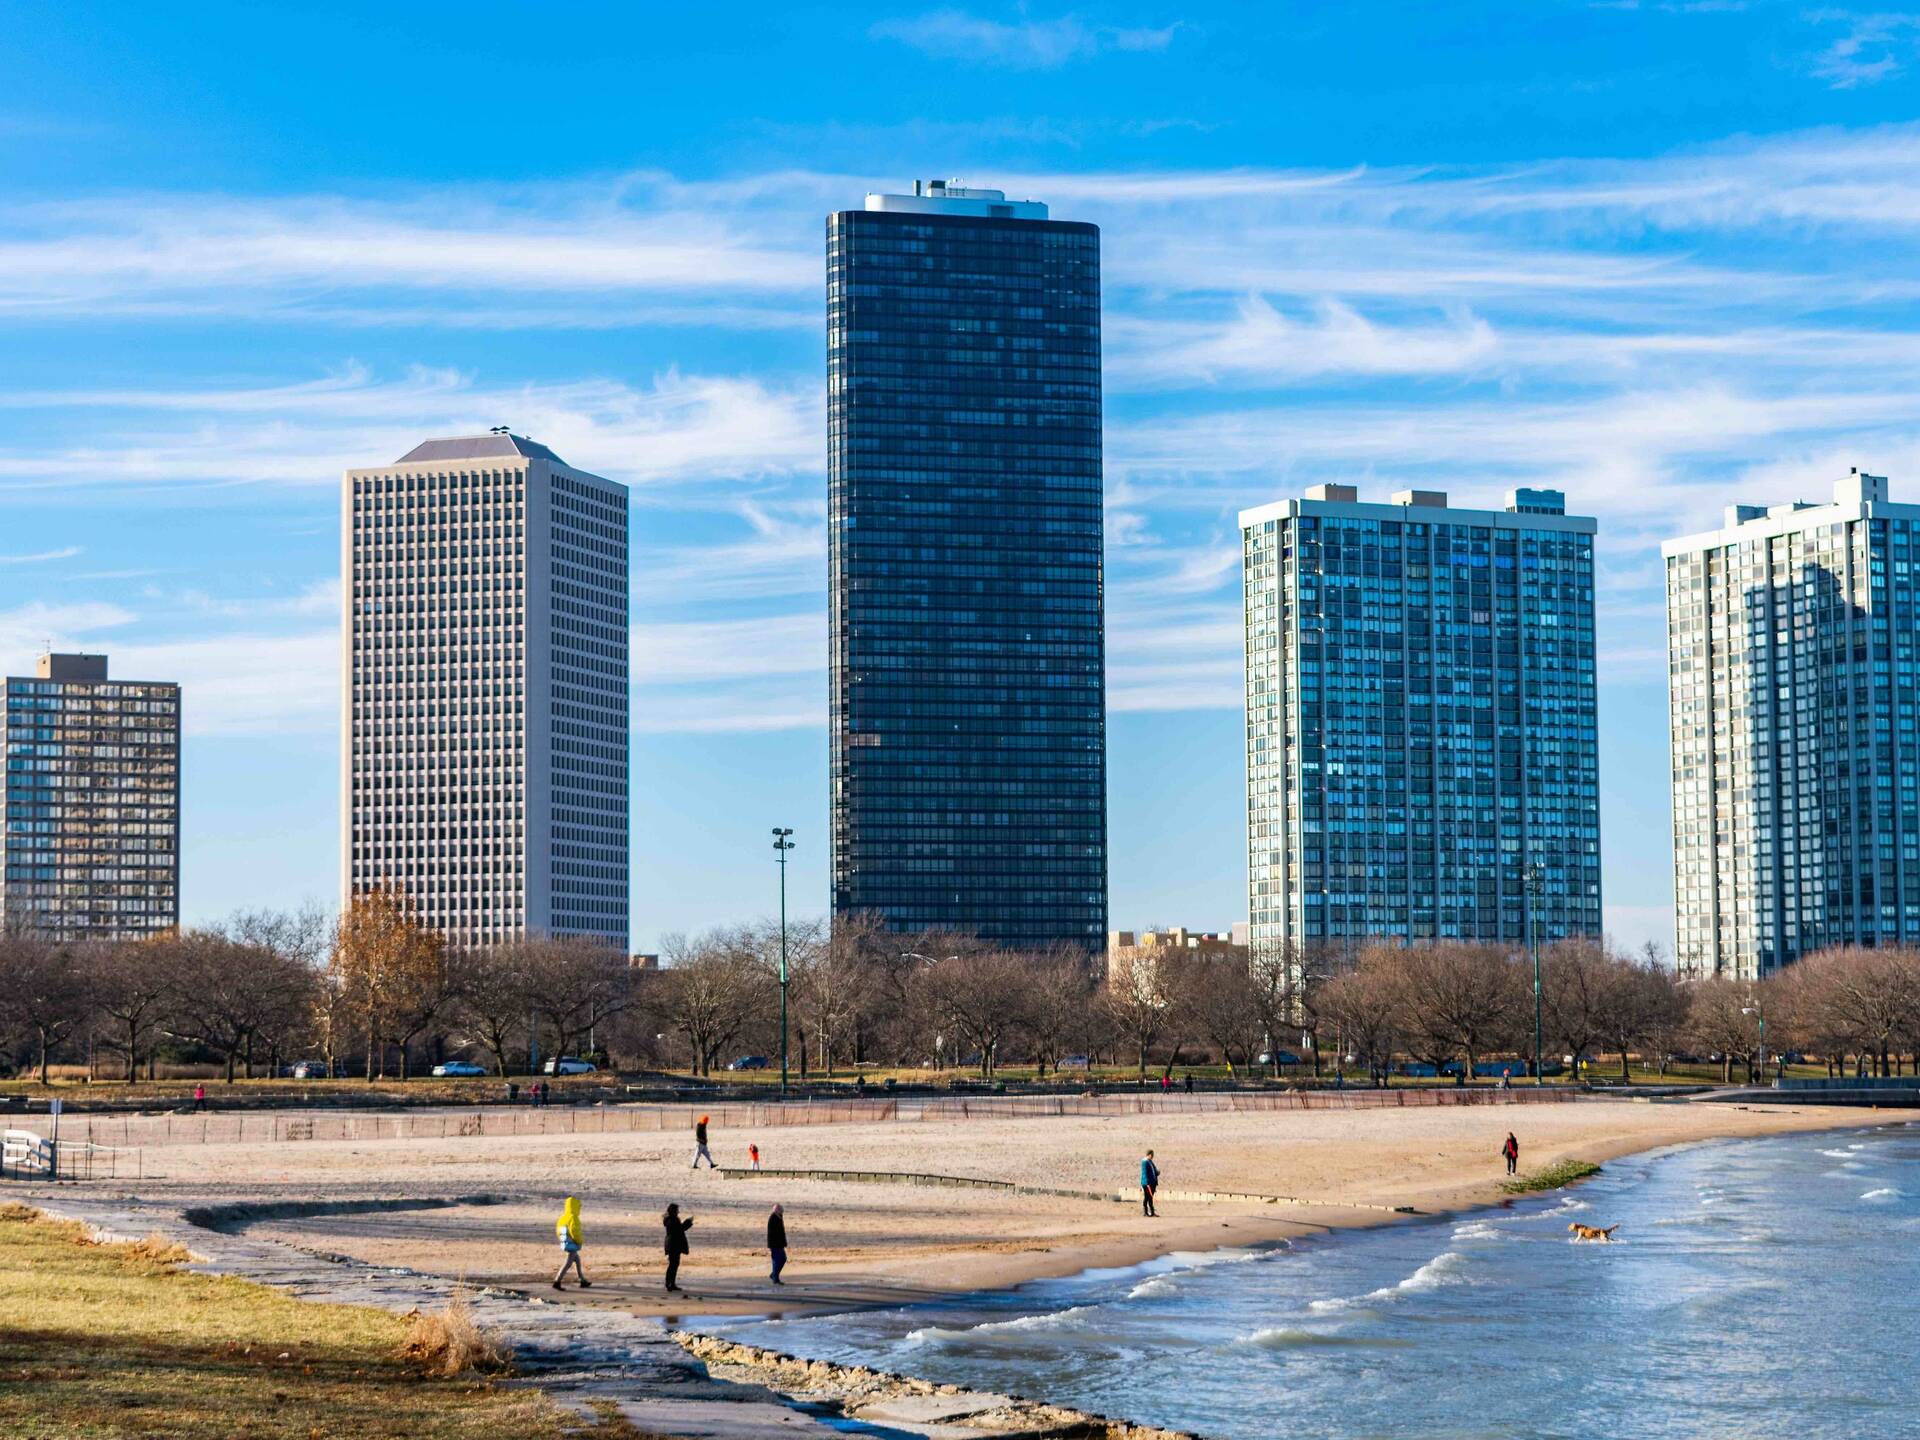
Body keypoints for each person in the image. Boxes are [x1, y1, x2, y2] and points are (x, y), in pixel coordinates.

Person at [552, 1195, 591, 1290]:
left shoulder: (563, 1217)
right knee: (568, 1263)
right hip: (572, 1243)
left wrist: (562, 1240)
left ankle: (582, 1279)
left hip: (565, 1242)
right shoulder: (573, 1218)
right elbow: (575, 1231)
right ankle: (557, 1281)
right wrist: (579, 1241)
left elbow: (558, 1230)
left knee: (577, 1260)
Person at [663, 1202, 693, 1292]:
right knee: (673, 1265)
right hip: (673, 1245)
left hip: (673, 1244)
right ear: (673, 1211)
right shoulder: (672, 1220)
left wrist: (687, 1223)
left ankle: (671, 1283)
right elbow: (679, 1230)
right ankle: (669, 1284)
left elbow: (679, 1229)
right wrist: (688, 1222)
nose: (678, 1212)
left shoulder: (671, 1219)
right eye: (677, 1210)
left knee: (674, 1264)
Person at [767, 1203, 788, 1284]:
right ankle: (775, 1277)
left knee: (782, 1259)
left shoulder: (779, 1217)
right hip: (775, 1244)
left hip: (779, 1244)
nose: (782, 1211)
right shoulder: (773, 1218)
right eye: (781, 1210)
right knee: (778, 1260)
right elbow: (773, 1233)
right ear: (777, 1210)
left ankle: (774, 1275)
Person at [1140, 1149, 1160, 1217]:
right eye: (1152, 1155)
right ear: (1149, 1155)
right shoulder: (1145, 1162)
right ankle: (1146, 1212)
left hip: (1152, 1182)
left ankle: (1152, 1212)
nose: (1152, 1156)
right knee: (1147, 1197)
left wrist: (1157, 1172)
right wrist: (1147, 1183)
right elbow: (1144, 1173)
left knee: (1150, 1197)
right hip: (1147, 1183)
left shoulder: (1150, 1161)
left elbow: (1153, 1170)